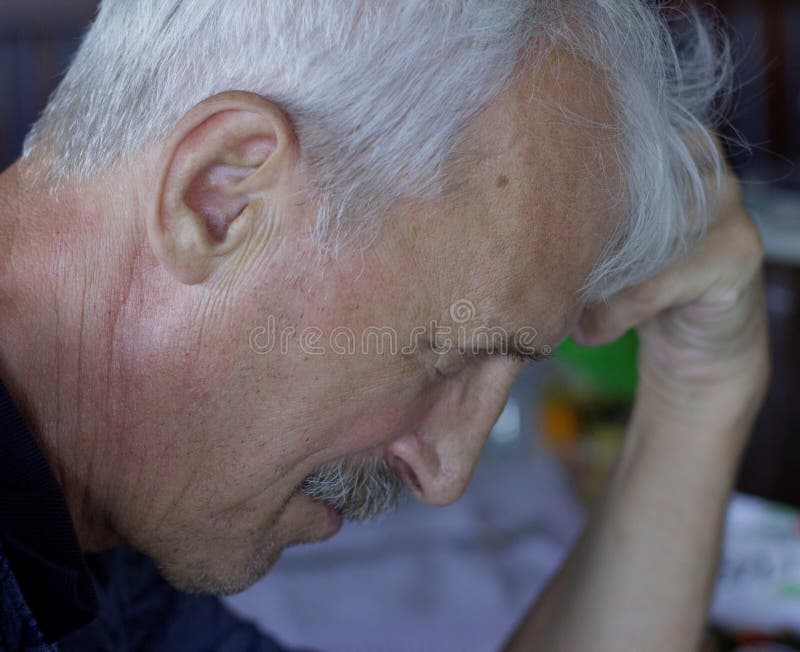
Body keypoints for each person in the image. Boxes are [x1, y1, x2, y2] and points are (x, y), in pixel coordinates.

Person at [0, 1, 769, 651]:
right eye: (449, 361)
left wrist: (697, 389)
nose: (445, 477)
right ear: (219, 199)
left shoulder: (96, 525)